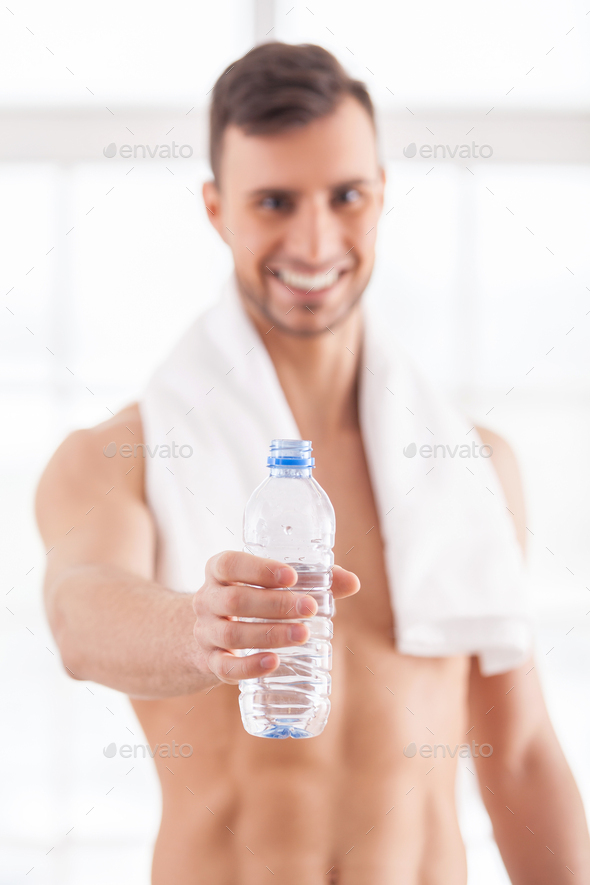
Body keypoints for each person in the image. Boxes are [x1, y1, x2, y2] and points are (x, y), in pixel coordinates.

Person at [36, 43, 589, 885]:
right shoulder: (119, 457)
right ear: (217, 210)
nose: (316, 238)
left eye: (346, 195)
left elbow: (515, 755)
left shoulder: (474, 464)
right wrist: (198, 627)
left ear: (381, 196)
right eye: (274, 201)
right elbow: (80, 614)